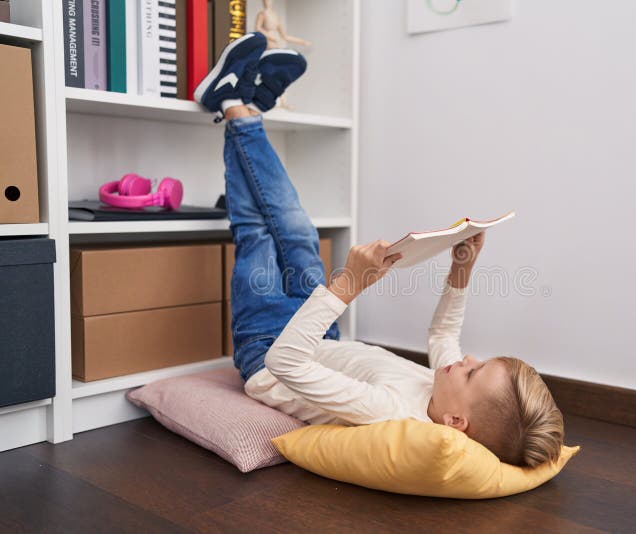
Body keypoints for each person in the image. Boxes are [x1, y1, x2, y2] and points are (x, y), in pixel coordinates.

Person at [193, 32, 564, 467]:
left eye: (473, 371)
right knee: (297, 229)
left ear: (456, 422)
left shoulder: (389, 412)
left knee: (256, 230)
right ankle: (239, 106)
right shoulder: (444, 393)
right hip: (320, 333)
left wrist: (350, 283)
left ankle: (238, 108)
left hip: (269, 345)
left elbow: (284, 364)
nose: (467, 359)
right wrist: (461, 269)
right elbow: (443, 336)